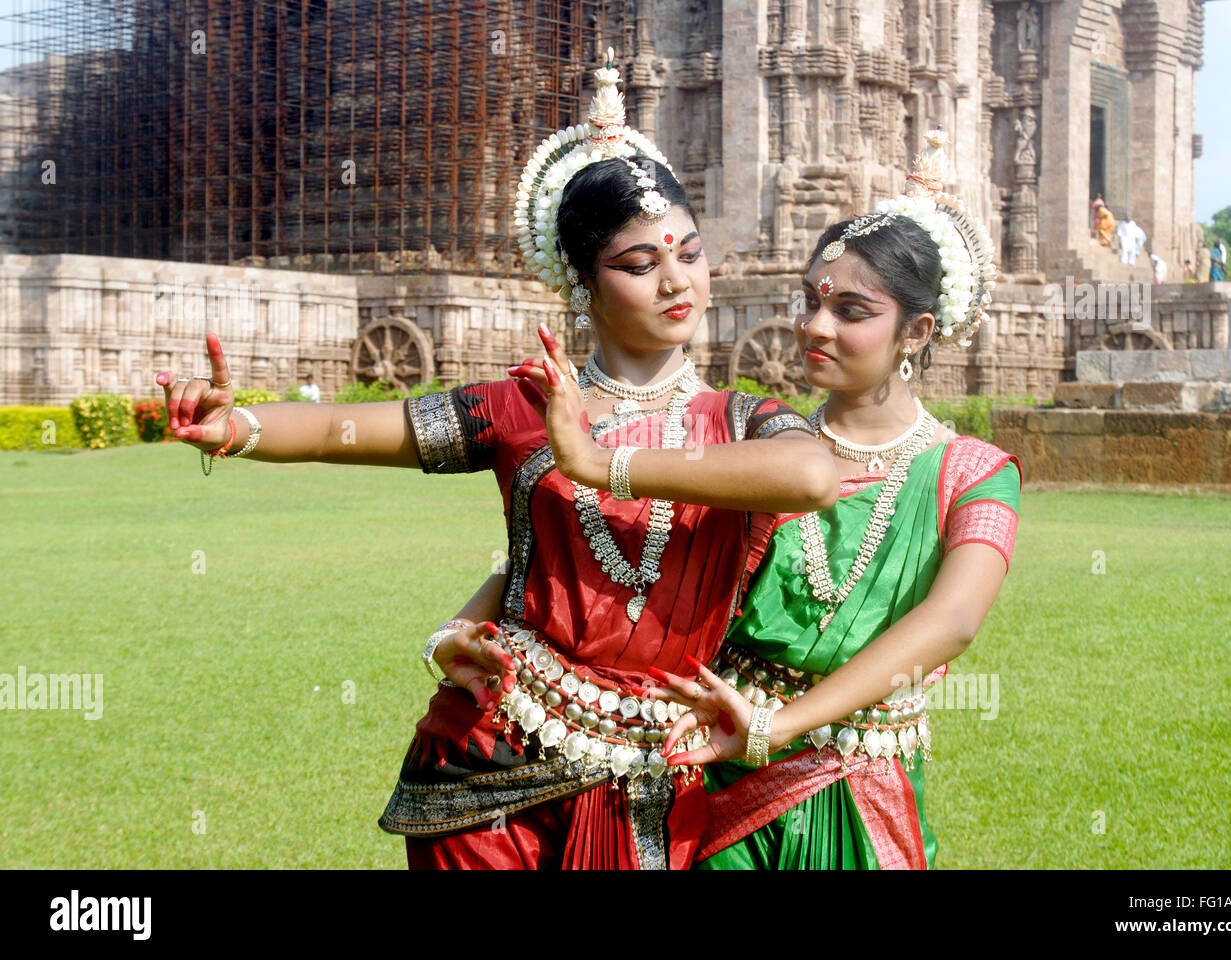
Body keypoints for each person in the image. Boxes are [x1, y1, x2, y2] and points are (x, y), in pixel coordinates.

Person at [152, 52, 840, 870]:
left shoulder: (747, 420)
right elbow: (356, 430)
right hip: (499, 751)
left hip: (665, 766)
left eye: (689, 253)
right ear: (583, 284)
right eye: (638, 264)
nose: (674, 282)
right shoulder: (521, 407)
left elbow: (814, 476)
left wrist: (597, 464)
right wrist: (238, 428)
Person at [634, 132, 1021, 870]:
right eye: (812, 301)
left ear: (918, 332)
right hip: (715, 771)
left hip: (864, 786)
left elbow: (954, 620)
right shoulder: (754, 439)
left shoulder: (972, 472)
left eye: (852, 310)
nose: (815, 326)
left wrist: (778, 726)